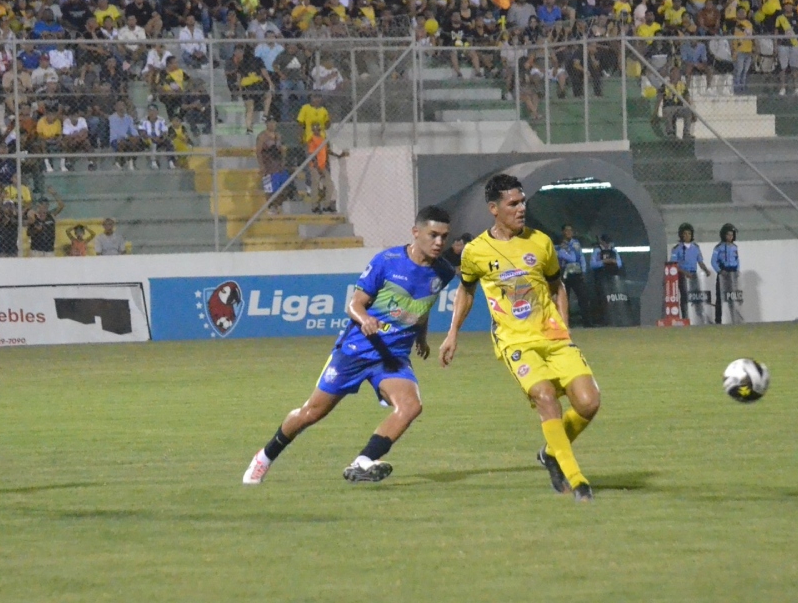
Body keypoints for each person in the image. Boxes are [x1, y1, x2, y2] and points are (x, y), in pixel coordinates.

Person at [243, 206, 455, 485]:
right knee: (312, 413)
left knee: (411, 406)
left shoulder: (443, 272)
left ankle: (363, 462)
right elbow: (354, 304)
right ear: (416, 233)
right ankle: (265, 457)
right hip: (356, 350)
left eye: (444, 236)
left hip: (392, 358)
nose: (439, 242)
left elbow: (422, 305)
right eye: (433, 235)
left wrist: (422, 337)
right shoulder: (387, 261)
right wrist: (365, 319)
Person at [439, 175, 601, 502]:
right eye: (513, 203)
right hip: (515, 342)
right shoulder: (476, 251)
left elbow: (557, 286)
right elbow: (466, 292)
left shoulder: (541, 242)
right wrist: (452, 332)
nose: (521, 208)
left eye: (522, 201)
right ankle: (576, 479)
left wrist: (564, 329)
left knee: (588, 403)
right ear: (494, 209)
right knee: (544, 396)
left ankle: (551, 452)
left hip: (553, 337)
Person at [669, 223, 712, 324]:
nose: (687, 236)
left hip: (694, 275)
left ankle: (699, 317)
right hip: (682, 276)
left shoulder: (696, 247)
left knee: (696, 296)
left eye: (689, 233)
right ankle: (685, 318)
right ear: (681, 235)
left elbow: (700, 261)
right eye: (685, 234)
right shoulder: (677, 248)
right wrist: (685, 273)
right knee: (685, 297)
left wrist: (706, 270)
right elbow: (674, 264)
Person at [556, 224, 589, 327]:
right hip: (565, 274)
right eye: (567, 230)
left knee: (583, 297)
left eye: (571, 230)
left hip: (576, 273)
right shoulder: (560, 244)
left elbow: (580, 257)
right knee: (565, 298)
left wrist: (583, 270)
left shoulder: (576, 243)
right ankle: (566, 322)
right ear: (563, 232)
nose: (569, 232)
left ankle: (587, 322)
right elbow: (562, 256)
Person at [712, 224, 742, 325]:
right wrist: (720, 271)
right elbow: (713, 261)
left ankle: (733, 318)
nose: (730, 237)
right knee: (720, 297)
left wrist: (737, 271)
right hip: (723, 274)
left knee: (732, 296)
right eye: (728, 235)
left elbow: (737, 260)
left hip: (732, 274)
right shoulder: (718, 248)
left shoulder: (734, 247)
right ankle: (718, 320)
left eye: (732, 235)